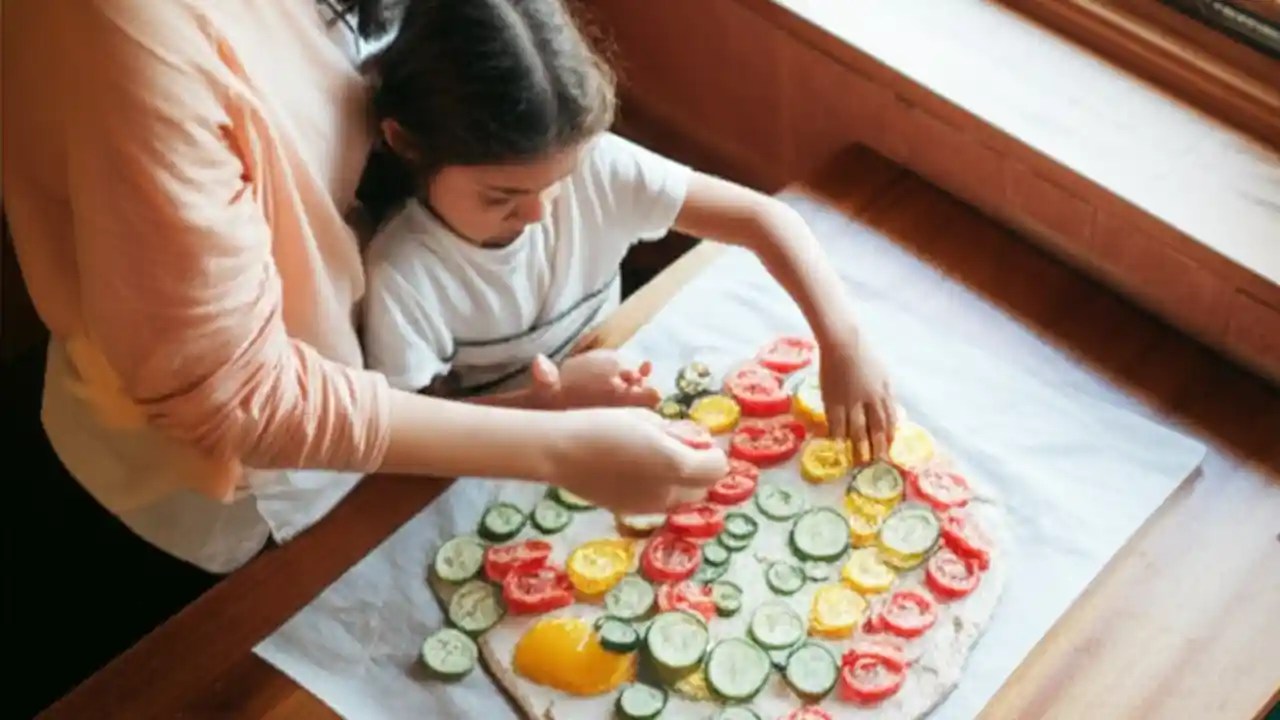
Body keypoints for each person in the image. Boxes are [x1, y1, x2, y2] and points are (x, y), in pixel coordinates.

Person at [0, 1, 726, 715]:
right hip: (198, 495)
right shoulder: (126, 29)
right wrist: (556, 445)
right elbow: (236, 392)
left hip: (354, 407)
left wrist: (536, 419)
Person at [357, 0, 897, 446]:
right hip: (515, 441)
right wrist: (553, 405)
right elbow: (413, 436)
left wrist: (843, 340)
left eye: (555, 183)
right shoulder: (404, 275)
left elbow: (763, 218)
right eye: (502, 197)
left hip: (613, 367)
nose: (539, 212)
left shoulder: (595, 165)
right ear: (407, 144)